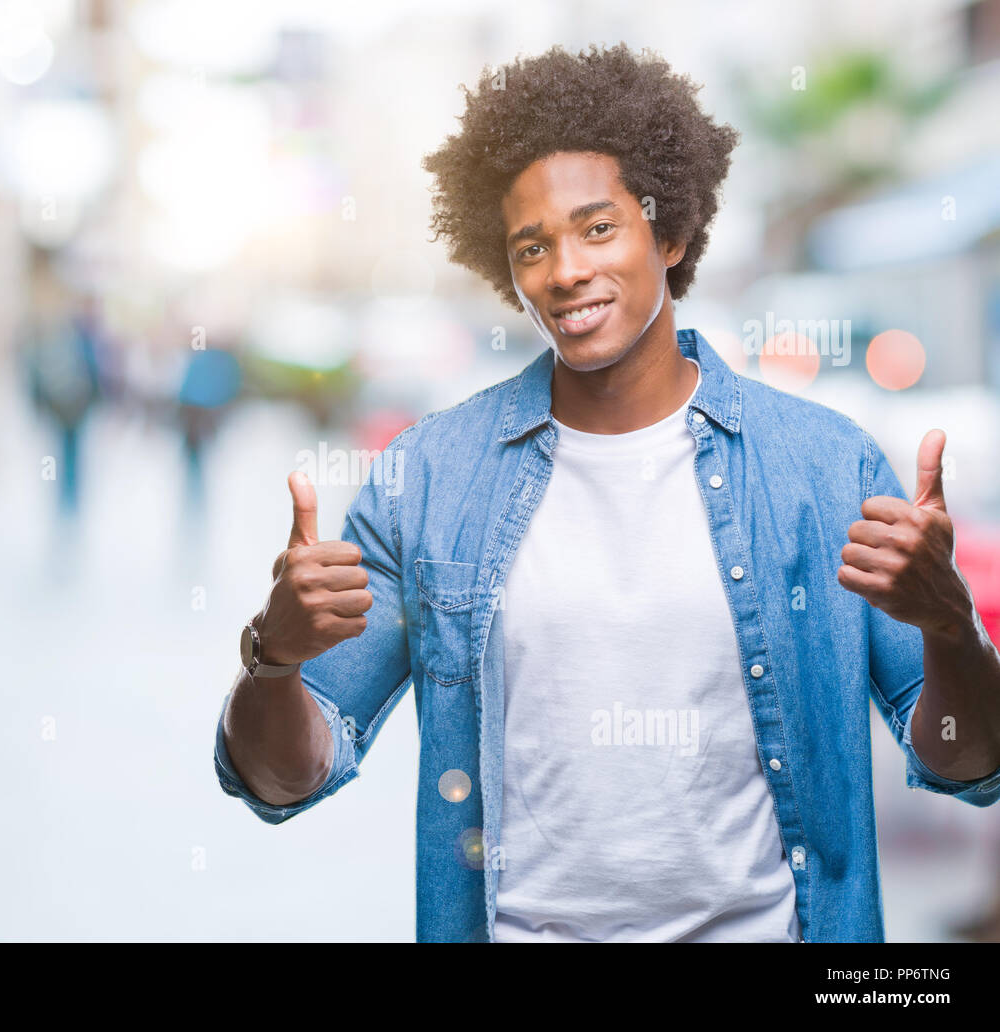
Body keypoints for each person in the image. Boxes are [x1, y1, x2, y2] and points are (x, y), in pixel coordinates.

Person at [213, 42, 1000, 943]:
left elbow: (971, 766)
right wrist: (271, 660)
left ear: (669, 234)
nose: (565, 271)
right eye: (532, 246)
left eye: (597, 228)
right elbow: (280, 783)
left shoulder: (826, 470)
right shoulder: (425, 482)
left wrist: (949, 628)